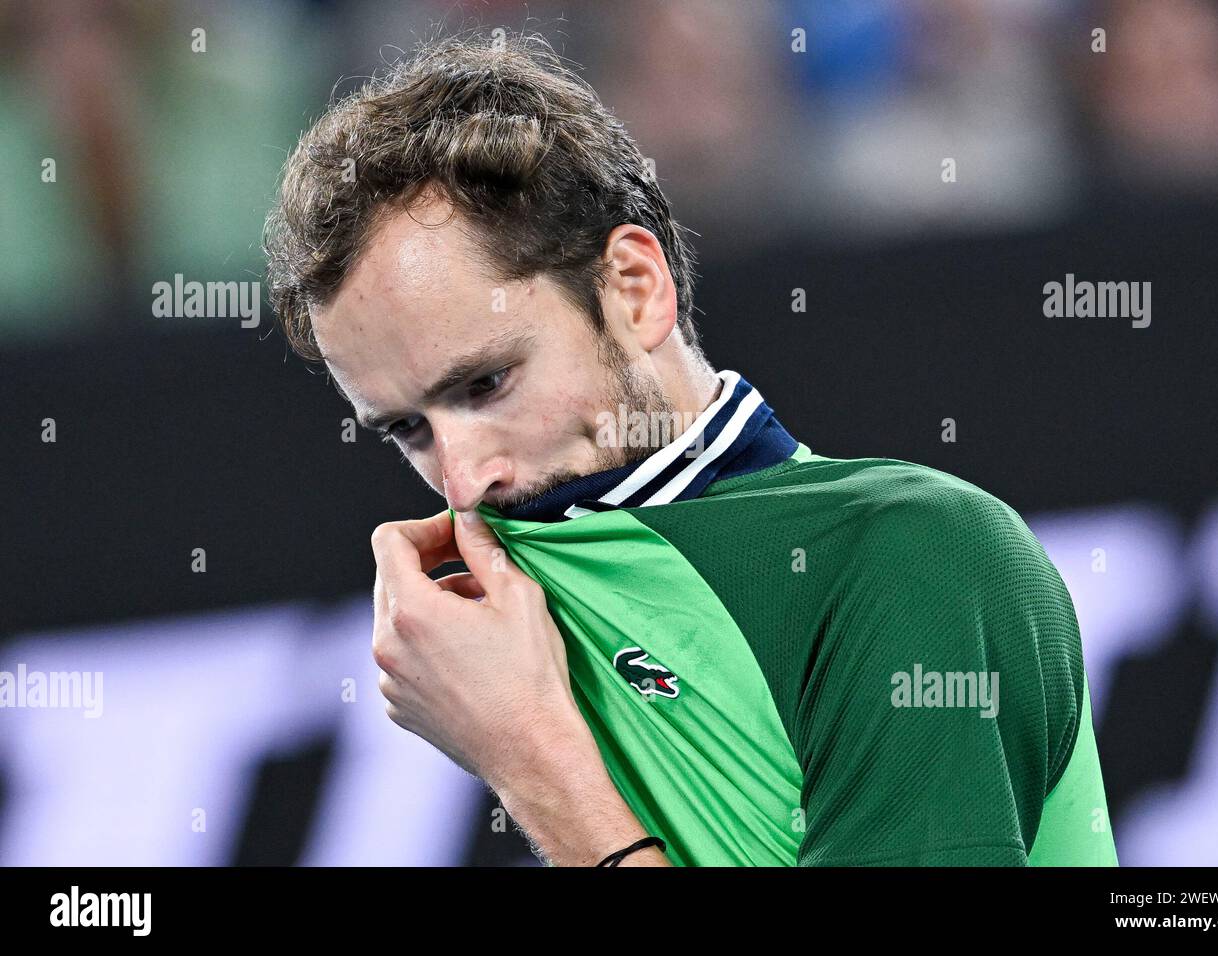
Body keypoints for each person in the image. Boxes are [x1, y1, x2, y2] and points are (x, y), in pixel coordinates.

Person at [264, 30, 1118, 867]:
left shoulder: (919, 557)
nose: (462, 480)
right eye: (407, 428)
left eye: (486, 384)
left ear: (635, 289)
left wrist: (530, 758)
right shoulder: (474, 635)